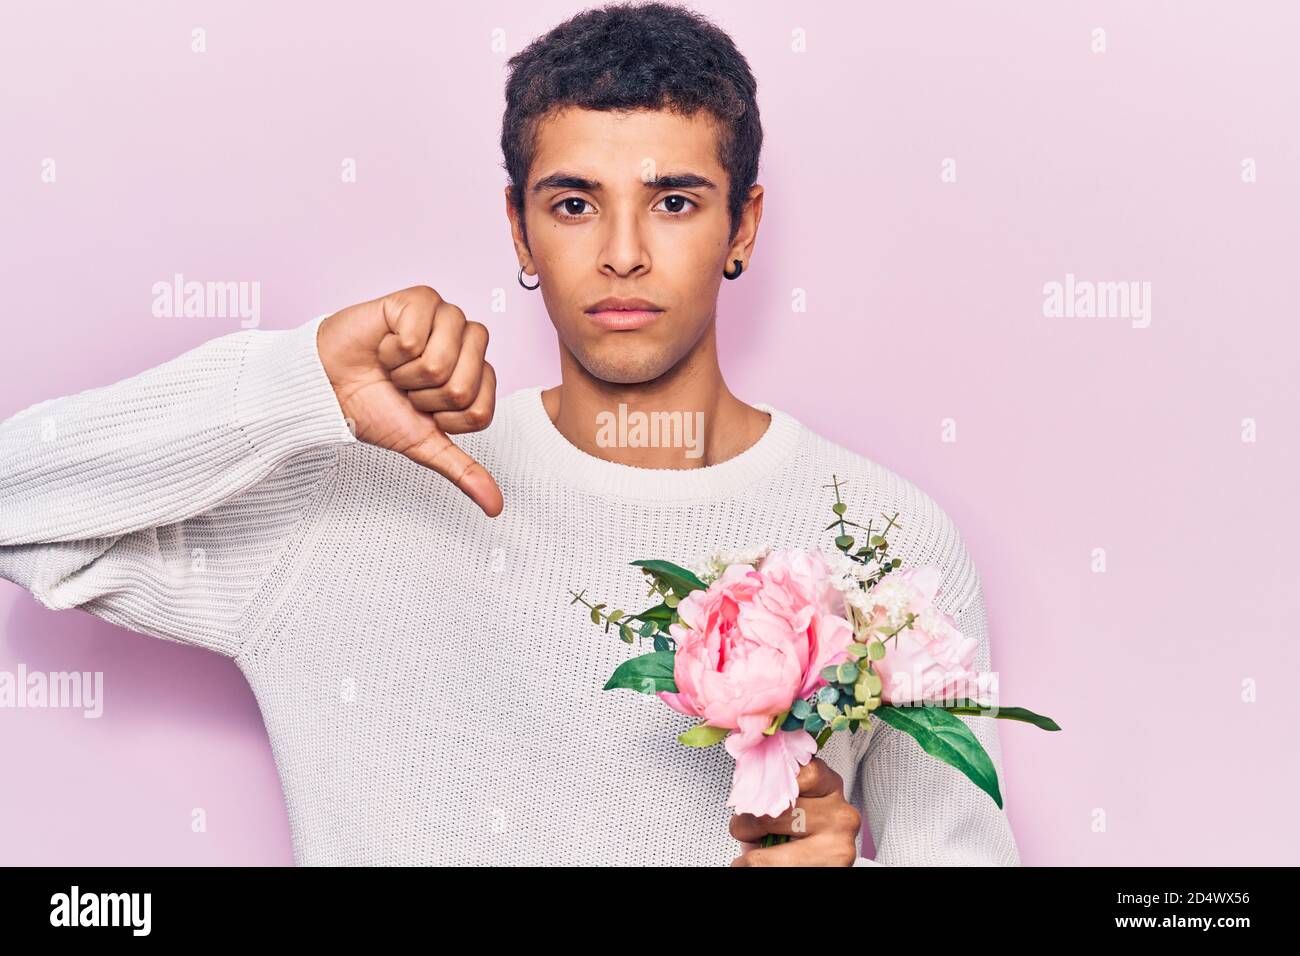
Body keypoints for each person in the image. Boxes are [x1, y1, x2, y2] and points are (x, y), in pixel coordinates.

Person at [0, 1, 1019, 866]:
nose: (623, 252)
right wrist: (298, 378)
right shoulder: (351, 493)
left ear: (742, 225)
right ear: (519, 228)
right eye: (574, 203)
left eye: (673, 200)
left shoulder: (888, 540)